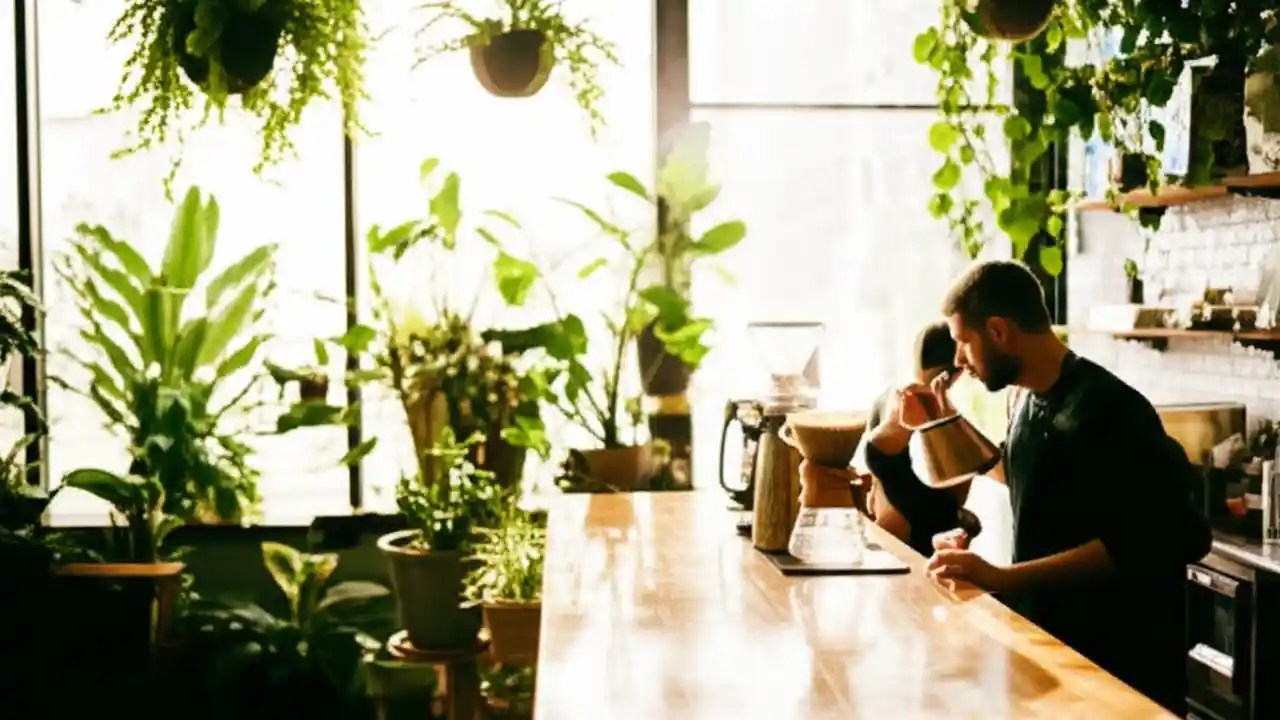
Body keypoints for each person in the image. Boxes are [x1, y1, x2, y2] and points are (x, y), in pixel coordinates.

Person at [920, 259, 1210, 714]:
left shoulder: (1109, 409)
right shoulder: (1025, 397)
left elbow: (1151, 541)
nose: (958, 360)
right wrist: (943, 419)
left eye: (963, 342)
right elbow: (1012, 469)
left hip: (1118, 672)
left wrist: (1000, 578)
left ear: (998, 330)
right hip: (1053, 654)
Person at [855, 322, 982, 556]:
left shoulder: (888, 396)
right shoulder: (933, 405)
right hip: (920, 534)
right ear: (959, 367)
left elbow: (875, 488)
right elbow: (958, 487)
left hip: (887, 529)